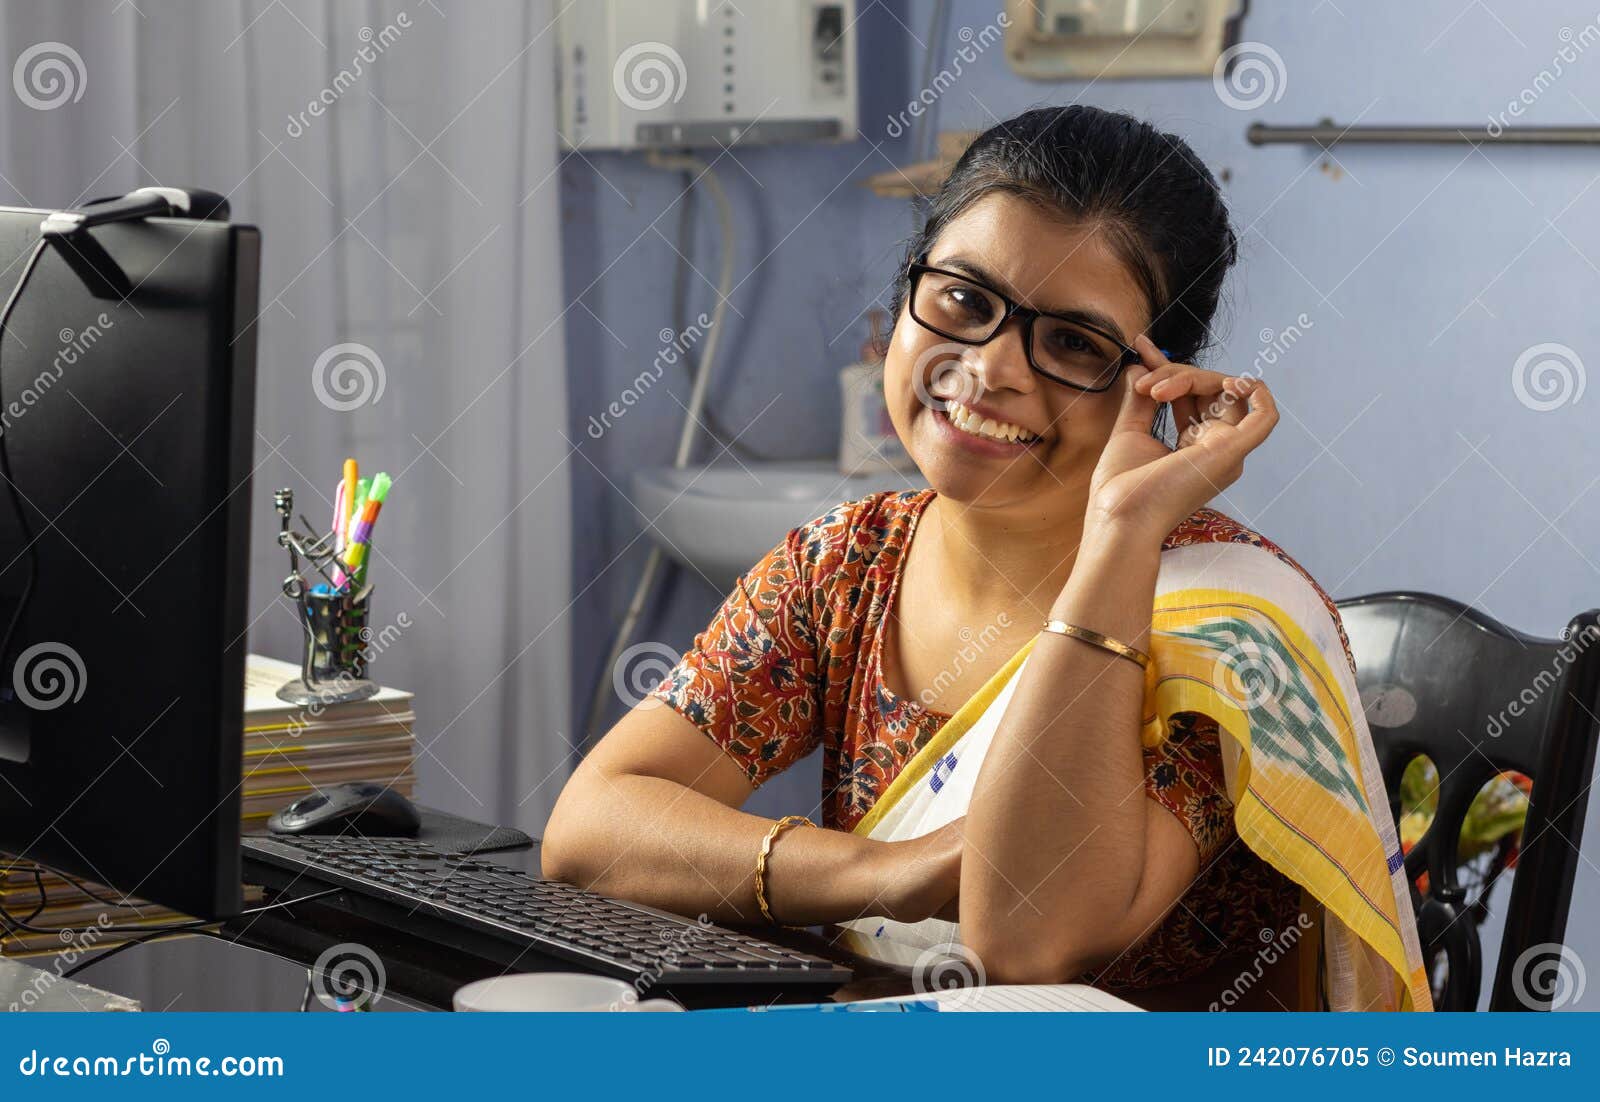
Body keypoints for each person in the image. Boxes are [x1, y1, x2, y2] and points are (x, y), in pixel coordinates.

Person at [544, 105, 1429, 1010]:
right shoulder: (846, 567)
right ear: (905, 297)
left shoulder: (1227, 629)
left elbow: (1027, 941)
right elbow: (592, 828)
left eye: (1074, 343)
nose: (992, 367)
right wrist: (877, 871)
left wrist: (1121, 530)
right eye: (965, 300)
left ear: (1156, 385)